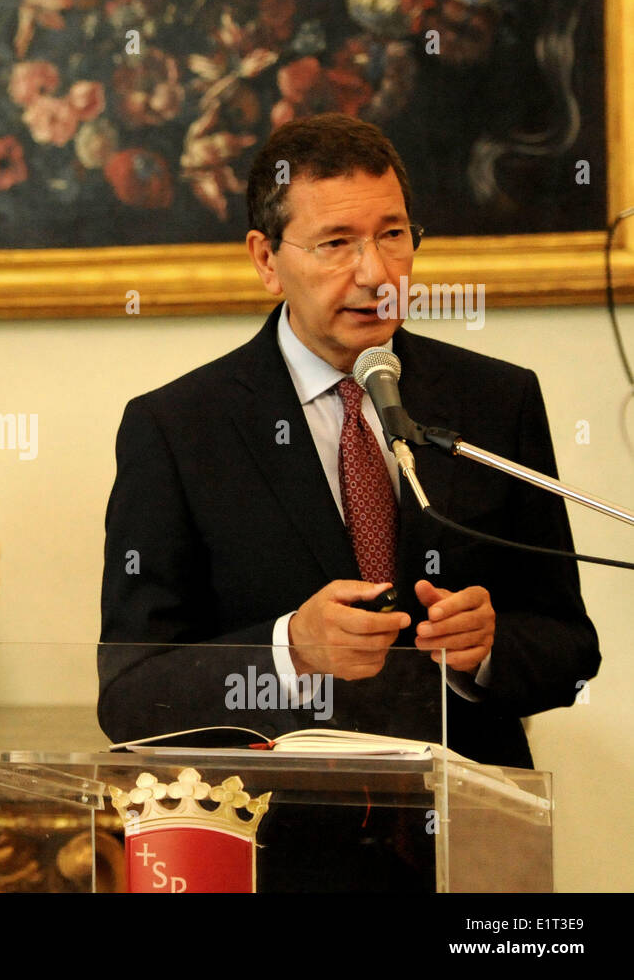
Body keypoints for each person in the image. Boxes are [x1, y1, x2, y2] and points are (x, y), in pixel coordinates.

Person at [98, 113, 600, 772]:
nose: (375, 272)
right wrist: (290, 651)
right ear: (266, 260)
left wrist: (490, 648)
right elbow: (131, 697)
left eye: (393, 235)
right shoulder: (178, 428)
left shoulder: (495, 402)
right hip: (278, 842)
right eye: (335, 243)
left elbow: (570, 648)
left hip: (472, 831)